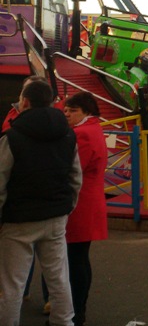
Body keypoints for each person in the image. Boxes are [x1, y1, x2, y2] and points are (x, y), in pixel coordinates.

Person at [0, 79, 82, 326]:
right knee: (59, 279)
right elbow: (75, 178)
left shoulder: (12, 137)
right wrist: (67, 208)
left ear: (25, 102)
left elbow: (0, 182)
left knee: (12, 284)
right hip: (56, 217)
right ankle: (64, 322)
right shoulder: (68, 135)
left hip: (18, 220)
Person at [63, 92, 109, 326]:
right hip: (90, 200)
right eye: (66, 110)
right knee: (80, 258)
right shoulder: (94, 129)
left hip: (80, 203)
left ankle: (76, 311)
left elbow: (73, 169)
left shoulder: (81, 134)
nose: (68, 115)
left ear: (86, 112)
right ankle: (77, 310)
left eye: (73, 111)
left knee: (74, 261)